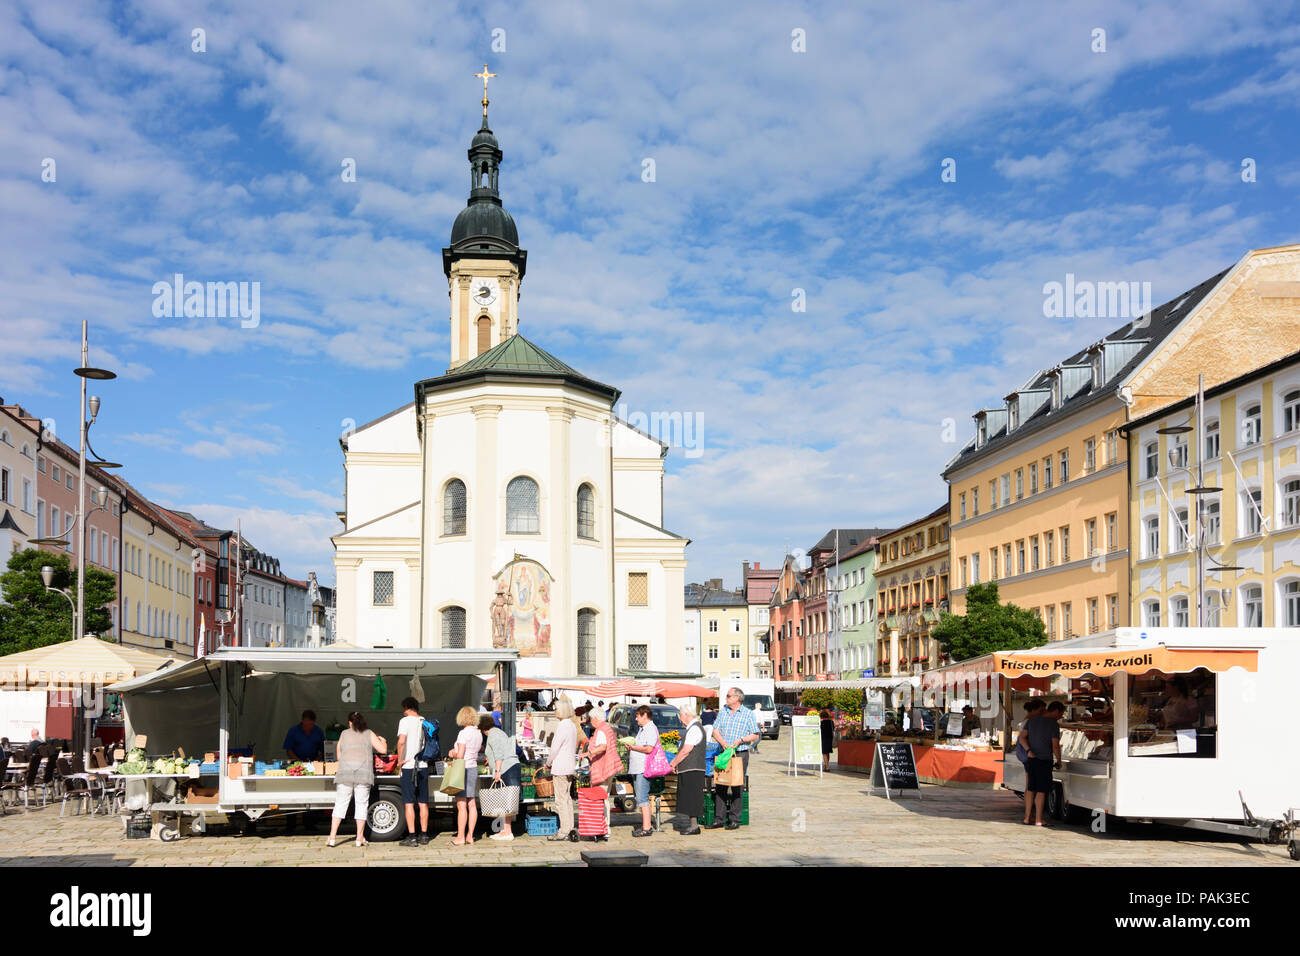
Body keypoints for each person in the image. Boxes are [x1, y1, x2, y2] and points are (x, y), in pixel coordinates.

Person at [327, 712, 386, 848]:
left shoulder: (344, 733)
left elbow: (339, 754)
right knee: (361, 805)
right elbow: (382, 750)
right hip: (363, 774)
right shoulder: (369, 733)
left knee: (340, 804)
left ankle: (332, 837)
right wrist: (383, 740)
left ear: (350, 723)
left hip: (345, 773)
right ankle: (359, 838)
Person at [709, 687, 759, 830]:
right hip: (723, 752)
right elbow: (715, 730)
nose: (726, 698)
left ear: (737, 698)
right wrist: (723, 743)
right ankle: (719, 819)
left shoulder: (748, 714)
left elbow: (755, 734)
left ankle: (735, 819)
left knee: (737, 785)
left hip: (739, 754)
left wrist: (741, 740)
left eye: (728, 696)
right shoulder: (723, 711)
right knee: (720, 785)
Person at [1018, 699, 1061, 826]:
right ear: (1056, 711)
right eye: (1061, 714)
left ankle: (1027, 817)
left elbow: (1021, 737)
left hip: (1031, 759)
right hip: (1044, 759)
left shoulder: (1031, 721)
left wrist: (1028, 750)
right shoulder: (1053, 724)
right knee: (1041, 790)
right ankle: (1038, 819)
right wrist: (1059, 760)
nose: (1060, 717)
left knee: (1031, 788)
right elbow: (1055, 745)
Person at [396, 697, 431, 846]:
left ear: (406, 707)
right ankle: (424, 835)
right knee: (423, 802)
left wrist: (399, 760)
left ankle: (412, 837)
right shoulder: (424, 721)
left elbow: (402, 741)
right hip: (423, 765)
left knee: (409, 803)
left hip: (409, 766)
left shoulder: (404, 721)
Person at [580, 707, 622, 832]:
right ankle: (604, 825)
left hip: (604, 767)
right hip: (609, 766)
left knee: (601, 797)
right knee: (605, 797)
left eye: (591, 719)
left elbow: (603, 747)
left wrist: (589, 753)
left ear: (596, 718)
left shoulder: (602, 730)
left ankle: (603, 827)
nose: (590, 721)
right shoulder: (607, 728)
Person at [545, 698, 580, 840]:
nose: (554, 711)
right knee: (567, 799)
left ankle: (564, 830)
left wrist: (548, 762)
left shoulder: (562, 726)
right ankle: (569, 827)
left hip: (560, 766)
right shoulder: (571, 725)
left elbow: (555, 748)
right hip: (569, 765)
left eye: (556, 708)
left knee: (560, 800)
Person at [480, 715, 520, 841]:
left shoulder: (493, 735)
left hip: (506, 768)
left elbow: (499, 754)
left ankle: (507, 832)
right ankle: (504, 830)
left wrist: (497, 771)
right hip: (509, 767)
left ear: (483, 729)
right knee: (504, 800)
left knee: (506, 800)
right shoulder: (498, 732)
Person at [448, 705, 483, 846]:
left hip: (463, 769)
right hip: (473, 768)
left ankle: (460, 837)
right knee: (472, 803)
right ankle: (470, 836)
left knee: (461, 805)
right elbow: (477, 750)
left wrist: (453, 753)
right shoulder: (478, 733)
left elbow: (460, 755)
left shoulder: (463, 733)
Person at [668, 704, 705, 835]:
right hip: (691, 768)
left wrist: (673, 763)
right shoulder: (693, 728)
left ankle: (694, 827)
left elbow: (686, 750)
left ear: (686, 715)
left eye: (680, 715)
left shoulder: (694, 729)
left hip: (693, 769)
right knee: (690, 798)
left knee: (692, 798)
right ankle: (693, 825)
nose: (680, 718)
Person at [625, 705, 659, 837]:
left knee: (642, 797)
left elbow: (649, 749)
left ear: (645, 715)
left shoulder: (650, 729)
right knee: (640, 797)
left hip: (643, 768)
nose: (636, 718)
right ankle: (646, 825)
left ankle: (647, 827)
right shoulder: (643, 729)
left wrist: (633, 748)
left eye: (638, 715)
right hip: (638, 767)